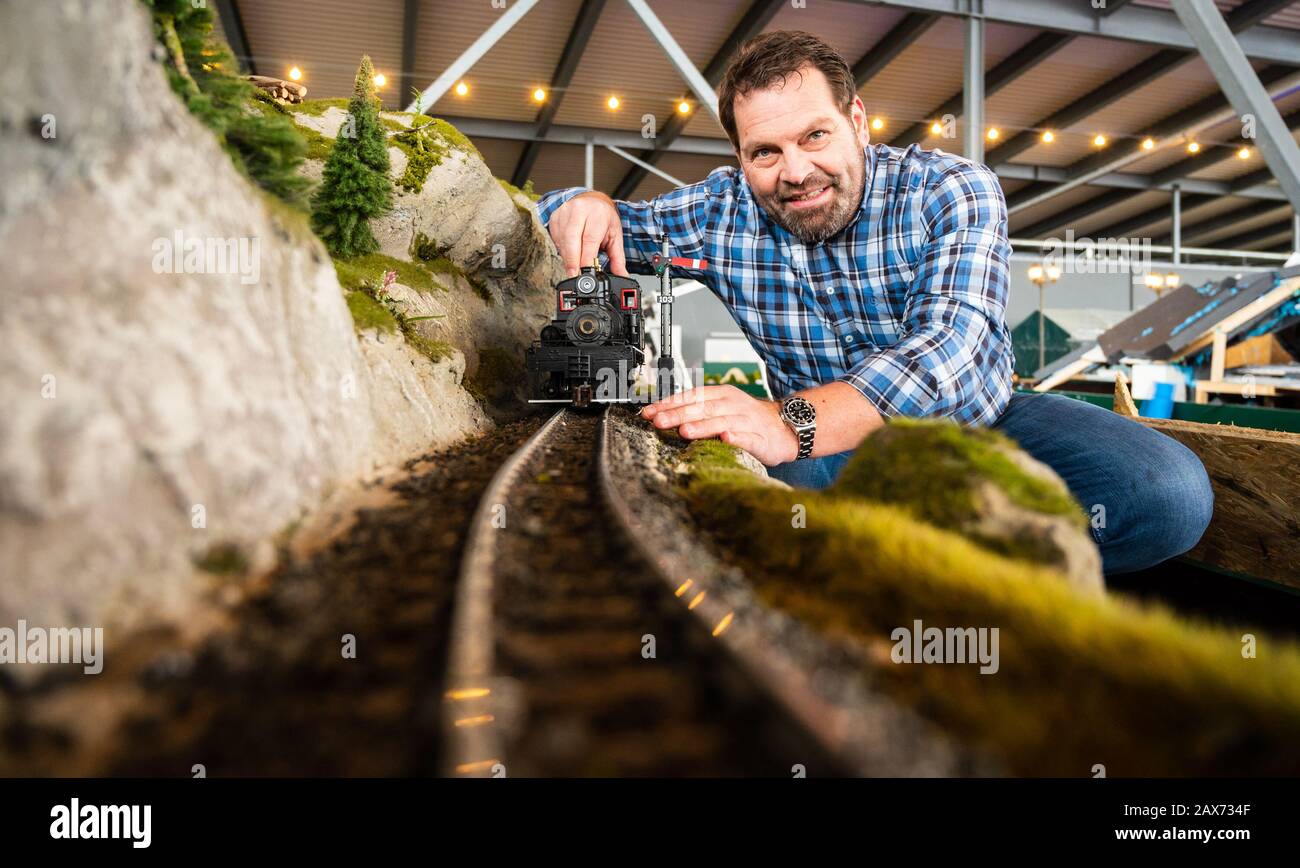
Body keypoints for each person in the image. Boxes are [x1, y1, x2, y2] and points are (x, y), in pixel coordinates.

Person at [536, 30, 1212, 575]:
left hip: (978, 423)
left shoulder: (950, 190)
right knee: (787, 503)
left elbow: (951, 352)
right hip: (829, 457)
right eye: (764, 152)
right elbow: (584, 221)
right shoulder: (719, 212)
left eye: (815, 136)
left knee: (1168, 494)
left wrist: (788, 422)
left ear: (857, 121)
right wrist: (581, 202)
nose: (795, 172)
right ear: (740, 157)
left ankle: (940, 564)